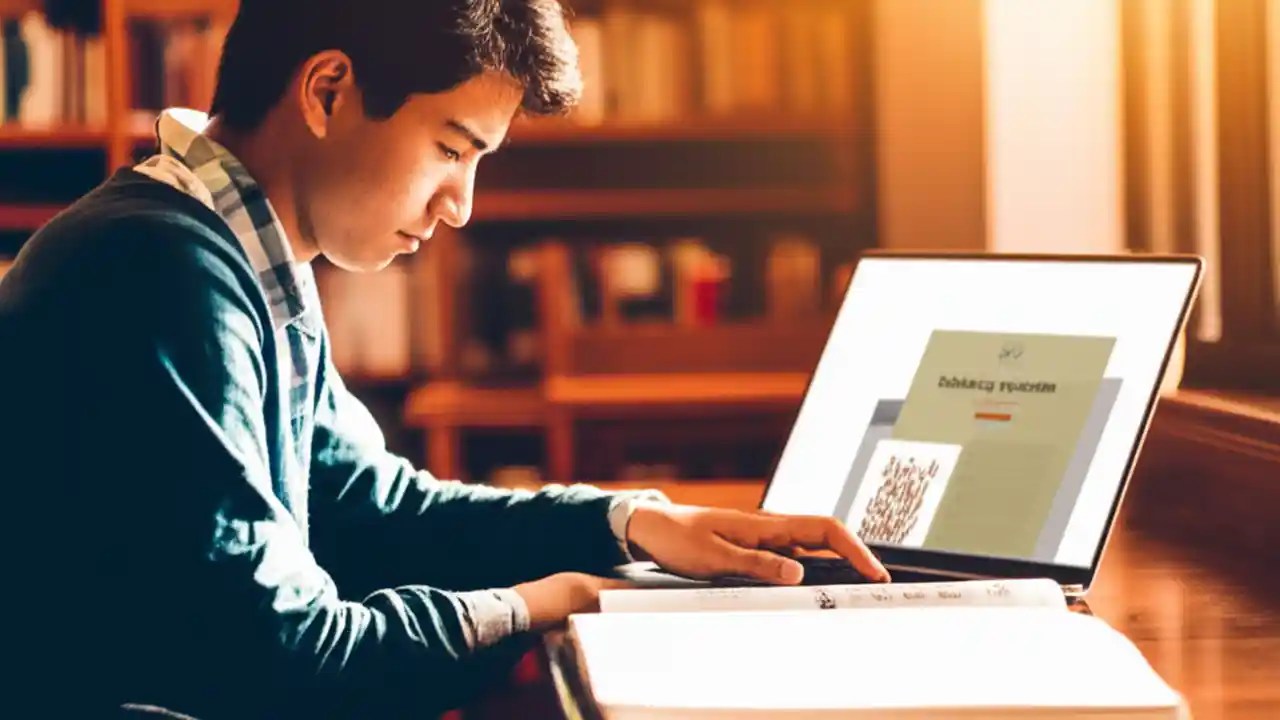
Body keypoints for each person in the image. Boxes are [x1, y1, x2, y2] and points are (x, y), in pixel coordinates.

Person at [0, 1, 888, 717]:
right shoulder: (160, 275)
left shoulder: (235, 254)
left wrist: (627, 523)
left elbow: (374, 511)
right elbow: (285, 665)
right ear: (327, 91)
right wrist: (550, 601)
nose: (460, 204)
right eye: (451, 148)